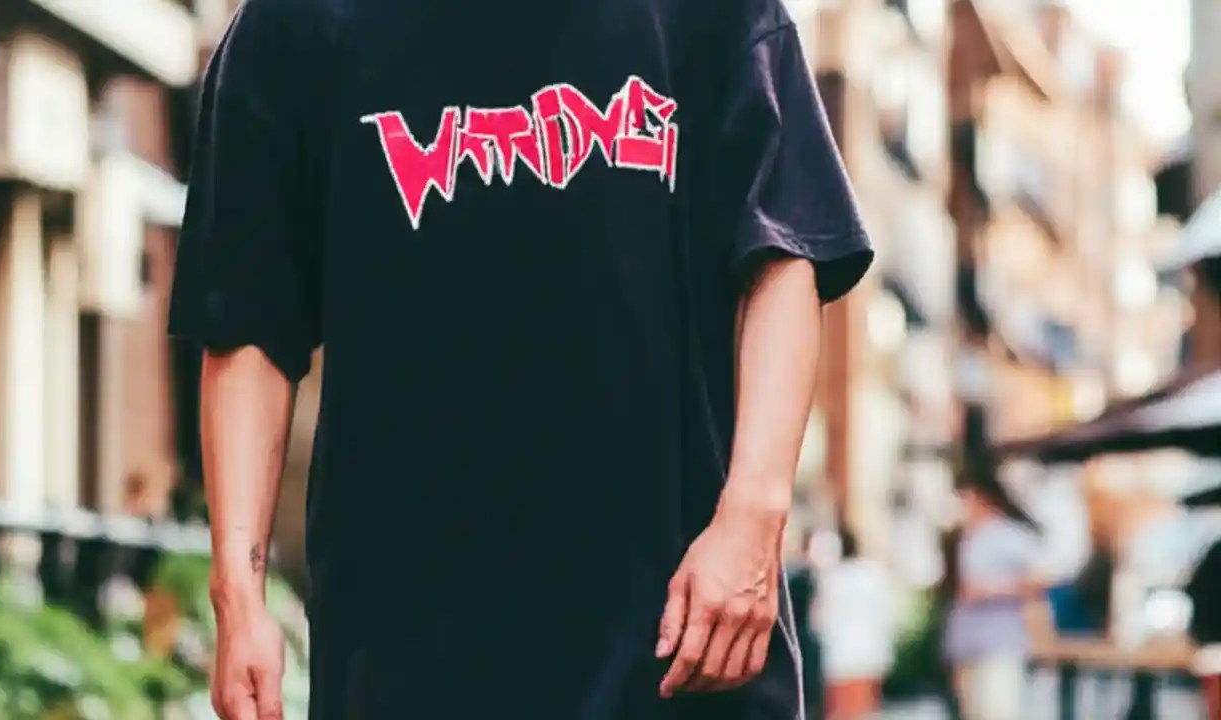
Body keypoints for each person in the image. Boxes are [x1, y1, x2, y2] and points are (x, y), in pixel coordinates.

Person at [168, 0, 873, 717]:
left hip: (679, 644)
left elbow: (785, 254)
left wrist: (752, 518)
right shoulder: (294, 22)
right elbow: (248, 321)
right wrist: (238, 593)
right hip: (410, 659)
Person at [943, 475, 1044, 720]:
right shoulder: (967, 537)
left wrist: (991, 590)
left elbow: (1039, 579)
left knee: (998, 709)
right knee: (972, 711)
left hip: (1000, 640)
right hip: (967, 640)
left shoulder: (1011, 535)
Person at [814, 528, 896, 720]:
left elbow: (819, 619)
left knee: (840, 711)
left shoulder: (830, 579)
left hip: (839, 653)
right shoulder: (873, 575)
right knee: (866, 709)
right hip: (868, 651)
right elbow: (887, 614)